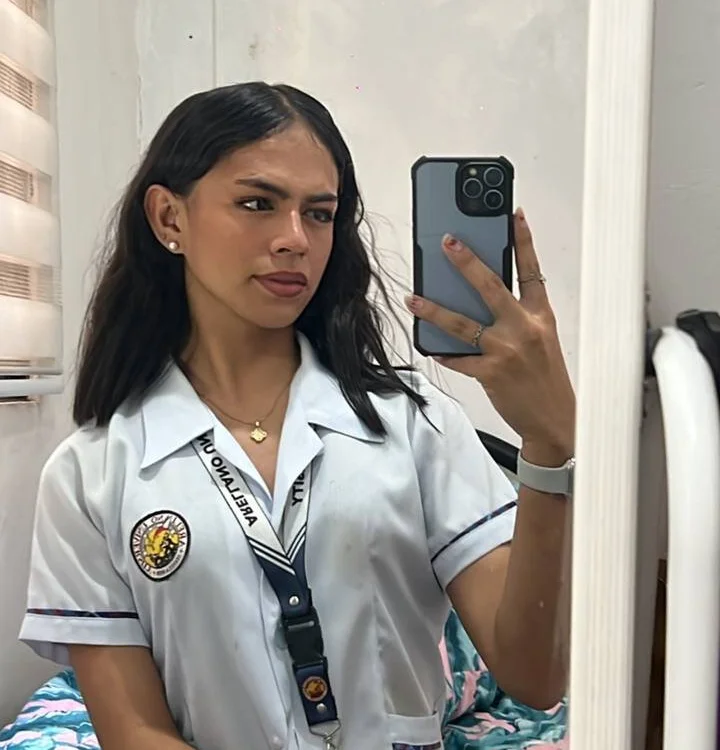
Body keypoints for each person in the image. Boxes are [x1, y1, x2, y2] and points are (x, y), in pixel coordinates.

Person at [19, 82, 576, 750]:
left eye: (319, 214)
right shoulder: (90, 475)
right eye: (258, 203)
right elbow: (135, 731)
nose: (295, 239)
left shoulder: (414, 425)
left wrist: (548, 445)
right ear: (169, 218)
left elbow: (534, 677)